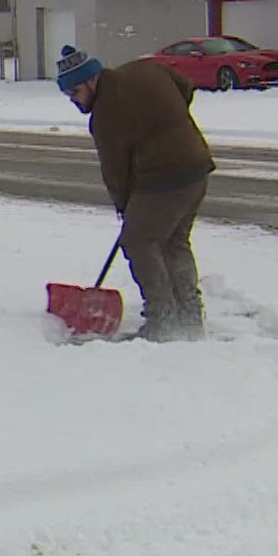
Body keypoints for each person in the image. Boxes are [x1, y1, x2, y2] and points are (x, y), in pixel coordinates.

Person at [56, 45, 215, 341]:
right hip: (197, 166)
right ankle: (189, 314)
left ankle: (162, 318)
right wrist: (169, 121)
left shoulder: (104, 114)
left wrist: (125, 207)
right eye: (68, 96)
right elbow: (185, 88)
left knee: (139, 242)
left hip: (162, 178)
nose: (74, 101)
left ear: (91, 80)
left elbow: (115, 171)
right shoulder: (145, 69)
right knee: (174, 241)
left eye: (75, 92)